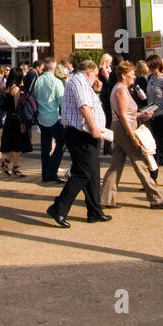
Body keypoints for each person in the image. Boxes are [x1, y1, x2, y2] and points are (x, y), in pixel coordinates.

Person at [45, 59, 111, 227]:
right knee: (83, 171)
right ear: (89, 71)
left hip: (84, 132)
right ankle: (59, 208)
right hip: (81, 132)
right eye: (95, 74)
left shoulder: (81, 82)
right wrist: (95, 128)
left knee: (93, 172)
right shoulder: (79, 81)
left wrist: (96, 90)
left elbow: (87, 104)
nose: (96, 77)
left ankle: (95, 211)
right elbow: (84, 107)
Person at [101, 60, 163, 209]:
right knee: (140, 161)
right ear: (124, 75)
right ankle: (156, 197)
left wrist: (141, 115)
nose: (134, 77)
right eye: (132, 74)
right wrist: (132, 136)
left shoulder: (121, 88)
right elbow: (123, 116)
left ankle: (106, 198)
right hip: (124, 128)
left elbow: (127, 113)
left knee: (116, 164)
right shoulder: (120, 90)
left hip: (121, 127)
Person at [32, 59, 65, 183]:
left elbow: (34, 97)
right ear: (54, 69)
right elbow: (62, 101)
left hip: (41, 116)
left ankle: (45, 174)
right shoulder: (56, 82)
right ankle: (52, 171)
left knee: (45, 147)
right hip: (53, 116)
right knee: (62, 142)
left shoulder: (38, 80)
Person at [0, 67, 31, 177]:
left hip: (8, 118)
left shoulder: (7, 88)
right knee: (17, 145)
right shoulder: (16, 90)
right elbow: (18, 107)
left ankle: (6, 162)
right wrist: (22, 122)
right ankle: (15, 168)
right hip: (15, 119)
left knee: (13, 145)